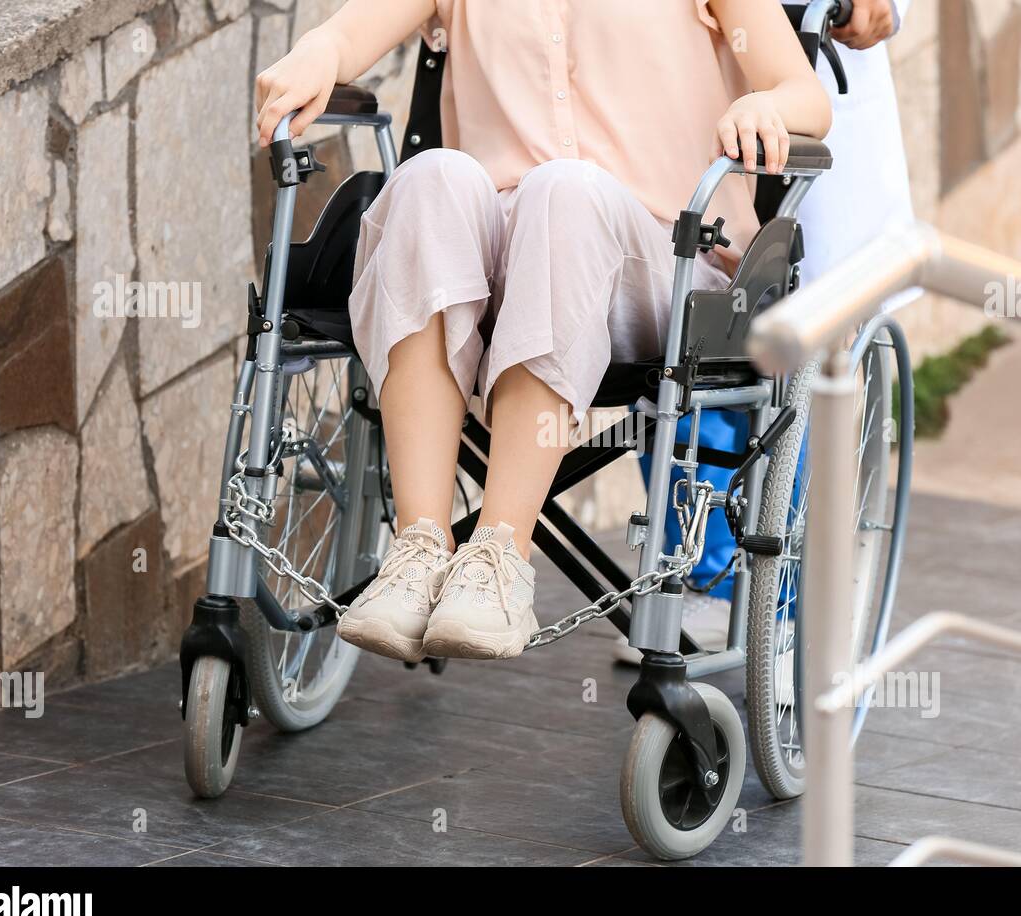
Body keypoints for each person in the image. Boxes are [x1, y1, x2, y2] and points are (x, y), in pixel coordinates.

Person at [254, 0, 831, 663]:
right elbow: (353, 31)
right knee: (430, 177)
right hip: (501, 275)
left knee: (566, 191)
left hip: (664, 270)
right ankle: (417, 549)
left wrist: (768, 108)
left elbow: (804, 95)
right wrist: (319, 54)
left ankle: (501, 554)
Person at [615, 0, 916, 663]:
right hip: (670, 85)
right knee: (669, 333)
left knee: (792, 340)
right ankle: (691, 572)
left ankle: (779, 610)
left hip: (807, 64)